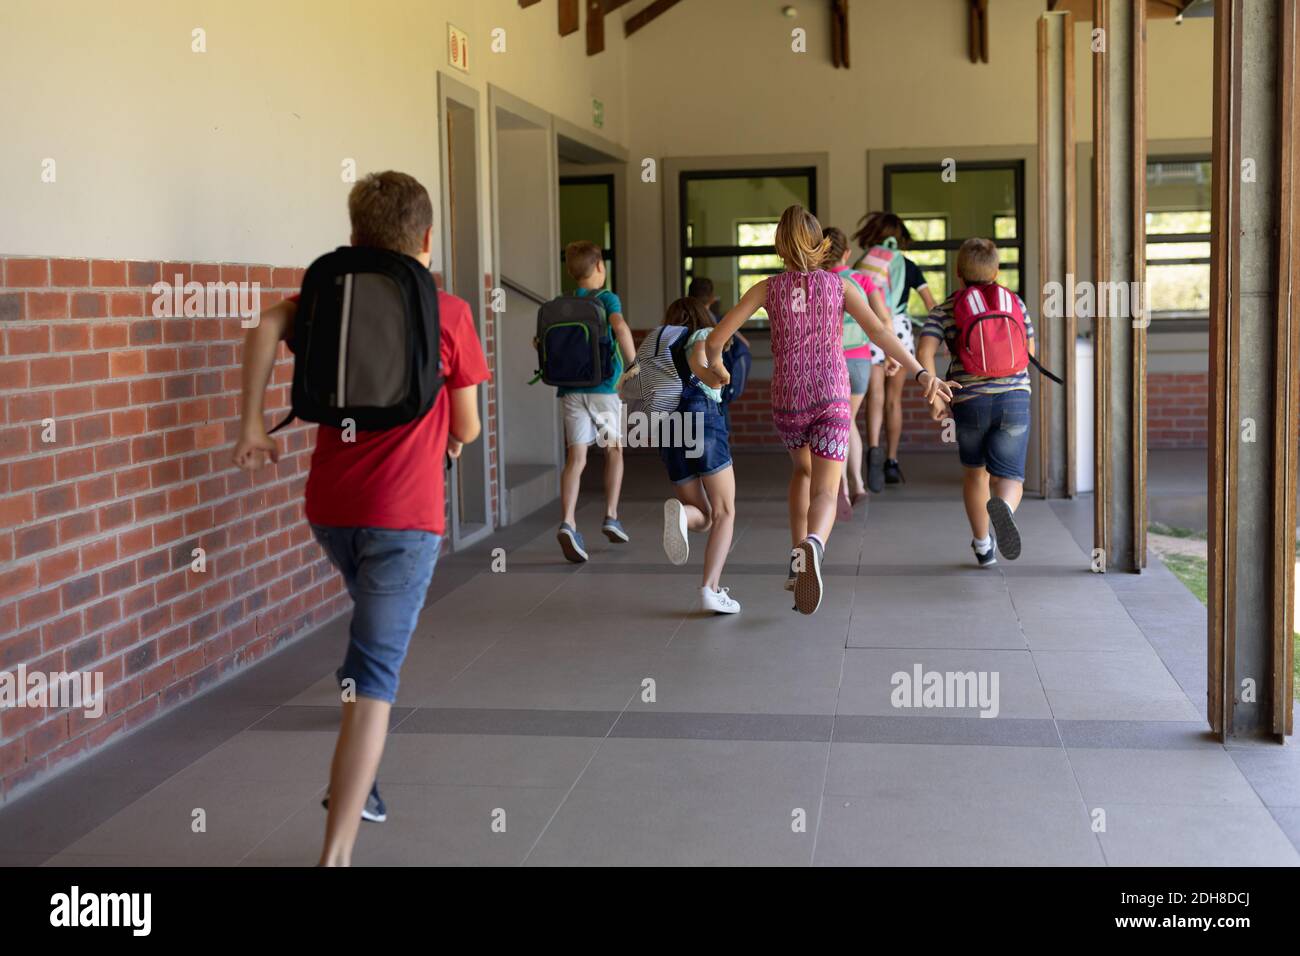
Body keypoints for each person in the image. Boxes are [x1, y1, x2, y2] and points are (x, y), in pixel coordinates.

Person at [232, 171, 489, 866]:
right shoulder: (450, 312)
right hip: (405, 519)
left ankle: (361, 784)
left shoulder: (325, 298)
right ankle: (336, 853)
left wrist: (253, 425)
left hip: (330, 511)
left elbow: (263, 327)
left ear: (354, 236)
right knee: (374, 677)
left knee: (368, 647)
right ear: (427, 240)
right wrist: (453, 438)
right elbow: (465, 422)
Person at [706, 205, 955, 614]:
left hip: (788, 396)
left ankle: (796, 557)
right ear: (820, 243)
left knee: (802, 472)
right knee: (825, 488)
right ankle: (813, 545)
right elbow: (879, 331)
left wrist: (718, 370)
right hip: (832, 393)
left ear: (779, 246)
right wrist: (921, 374)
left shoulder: (766, 289)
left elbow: (716, 340)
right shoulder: (840, 287)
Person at [918, 237, 1034, 567]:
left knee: (975, 474)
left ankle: (983, 547)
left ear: (958, 273)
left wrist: (936, 393)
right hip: (1014, 397)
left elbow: (924, 351)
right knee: (1010, 477)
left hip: (968, 400)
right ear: (996, 270)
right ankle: (1005, 510)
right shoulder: (1014, 303)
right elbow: (1030, 352)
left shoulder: (946, 308)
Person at [555, 241, 638, 563]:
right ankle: (611, 516)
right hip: (603, 387)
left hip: (570, 390)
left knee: (575, 459)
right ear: (600, 267)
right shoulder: (606, 298)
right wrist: (634, 364)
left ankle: (568, 522)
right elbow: (619, 326)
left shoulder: (562, 303)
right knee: (613, 450)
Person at [656, 297, 740, 614]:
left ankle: (682, 515)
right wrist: (720, 375)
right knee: (725, 512)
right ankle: (710, 588)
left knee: (702, 517)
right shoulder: (703, 335)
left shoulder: (661, 345)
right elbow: (701, 361)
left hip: (668, 428)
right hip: (701, 418)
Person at [852, 212, 939, 489]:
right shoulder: (909, 265)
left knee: (874, 397)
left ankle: (873, 451)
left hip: (870, 329)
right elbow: (930, 304)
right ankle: (891, 461)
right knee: (894, 400)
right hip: (899, 331)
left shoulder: (862, 264)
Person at [821, 226, 897, 516]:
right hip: (861, 362)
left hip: (830, 362)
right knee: (848, 421)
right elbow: (883, 320)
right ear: (848, 254)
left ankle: (840, 484)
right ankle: (859, 485)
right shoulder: (862, 280)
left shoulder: (819, 282)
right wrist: (891, 354)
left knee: (838, 424)